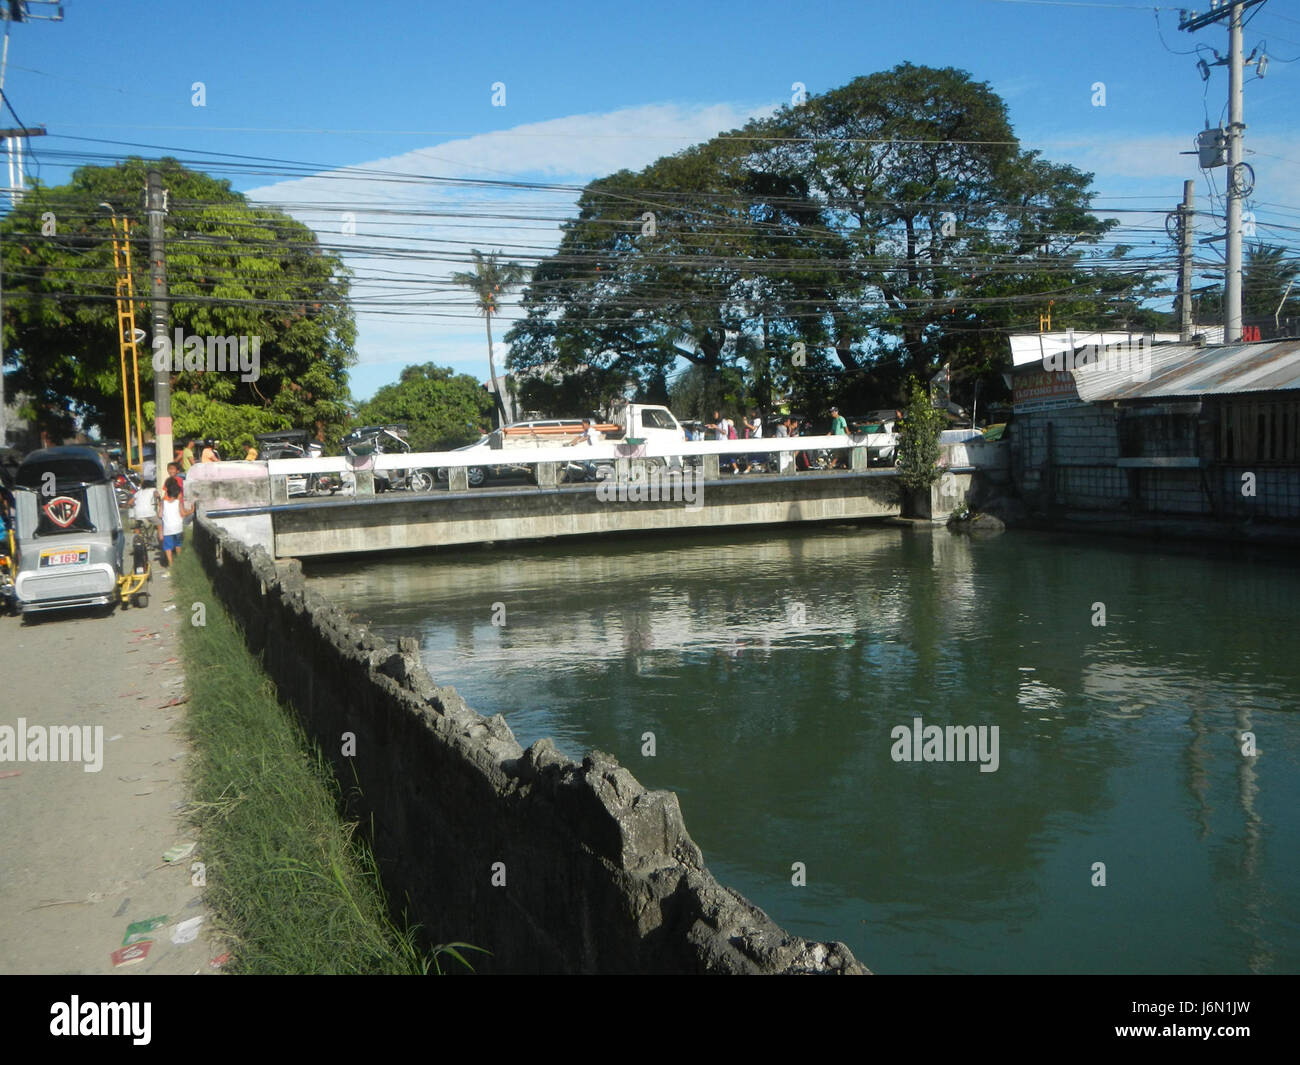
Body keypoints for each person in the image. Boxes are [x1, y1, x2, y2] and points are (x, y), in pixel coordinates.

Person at [157, 476, 194, 567]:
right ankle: (179, 558)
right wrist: (191, 511)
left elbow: (160, 515)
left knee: (168, 547)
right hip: (178, 527)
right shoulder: (178, 502)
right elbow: (183, 513)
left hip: (168, 529)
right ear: (178, 493)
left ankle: (171, 564)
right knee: (178, 544)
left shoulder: (163, 502)